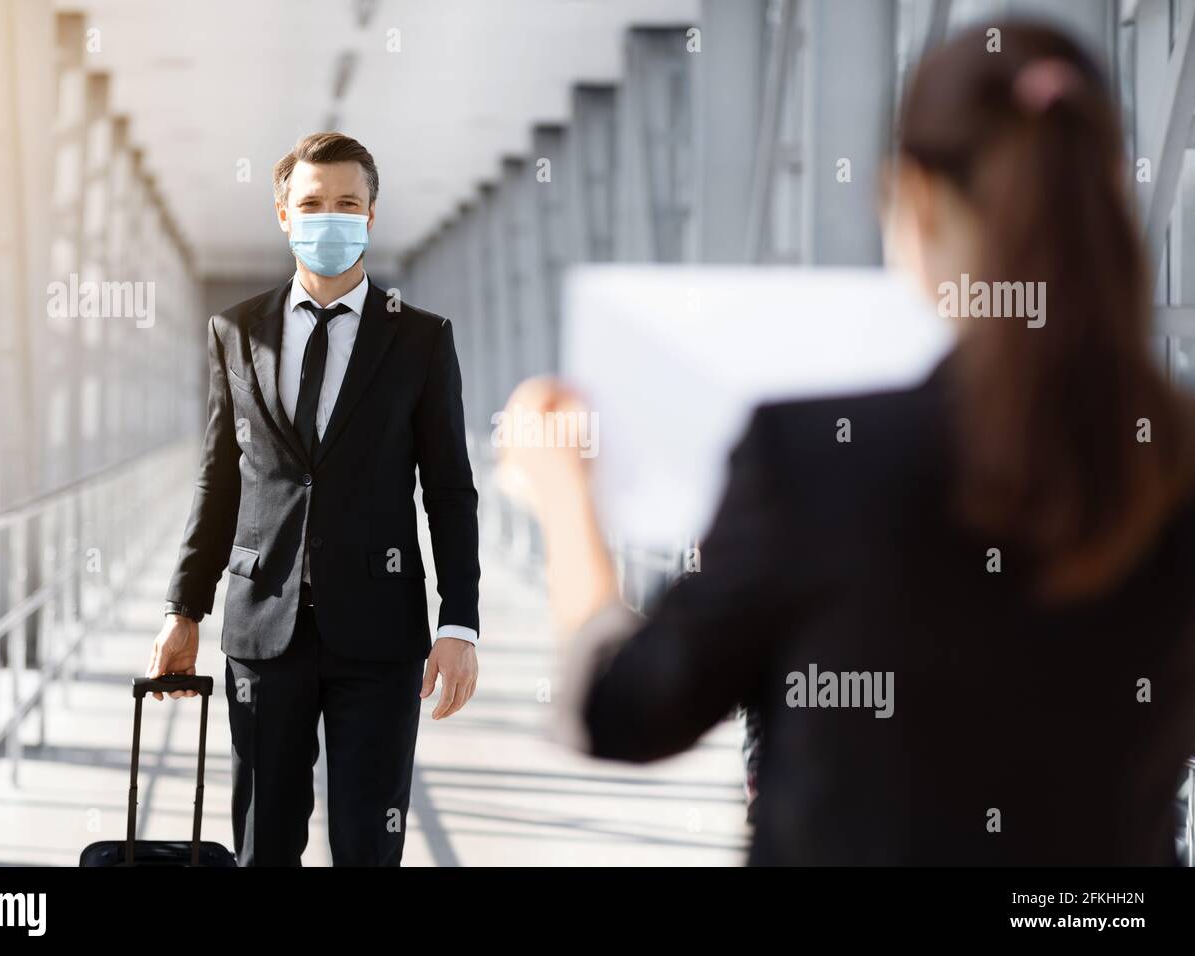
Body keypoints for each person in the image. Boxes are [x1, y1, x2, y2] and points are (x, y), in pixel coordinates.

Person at [499, 21, 1195, 865]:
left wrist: (565, 496)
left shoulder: (816, 458)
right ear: (1108, 187)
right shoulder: (1168, 457)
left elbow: (623, 710)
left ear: (916, 200)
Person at [147, 133, 481, 866]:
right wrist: (184, 609)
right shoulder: (234, 332)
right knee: (263, 846)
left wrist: (461, 622)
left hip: (382, 636)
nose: (328, 217)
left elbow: (450, 490)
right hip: (263, 632)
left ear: (370, 214)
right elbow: (218, 479)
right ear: (282, 213)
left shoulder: (421, 340)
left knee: (368, 845)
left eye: (346, 204)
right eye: (311, 203)